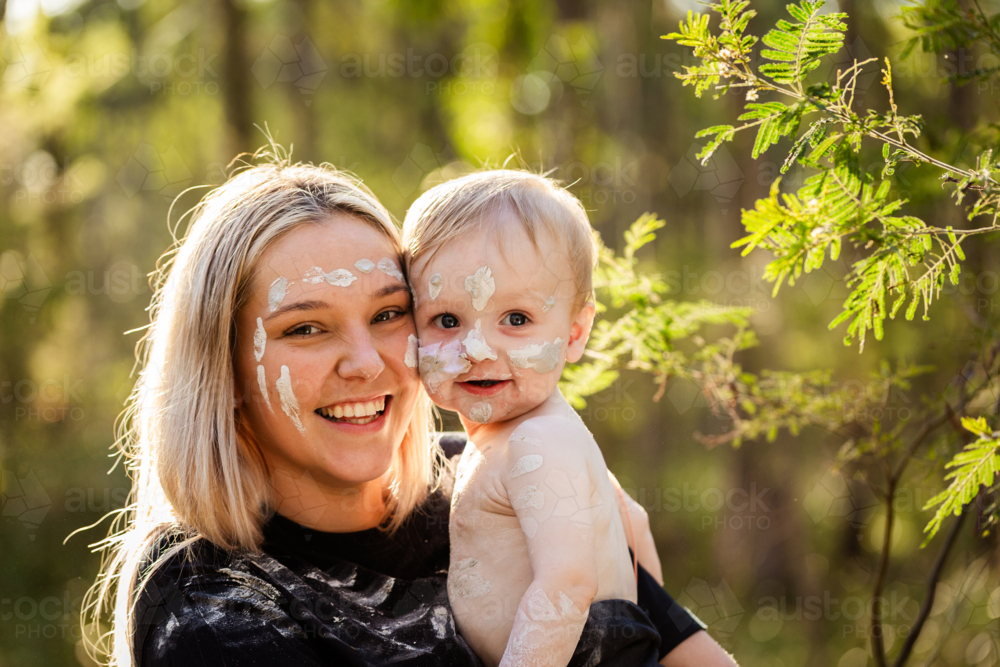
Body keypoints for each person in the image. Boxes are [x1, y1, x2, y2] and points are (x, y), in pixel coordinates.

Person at [83, 154, 739, 667]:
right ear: (220, 370)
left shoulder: (486, 475)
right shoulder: (209, 606)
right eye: (307, 328)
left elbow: (662, 633)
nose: (366, 361)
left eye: (388, 313)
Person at [402, 169, 660, 667]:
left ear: (574, 333)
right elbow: (638, 526)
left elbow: (567, 583)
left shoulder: (538, 441)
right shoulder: (514, 438)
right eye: (447, 320)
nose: (476, 349)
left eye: (516, 320)